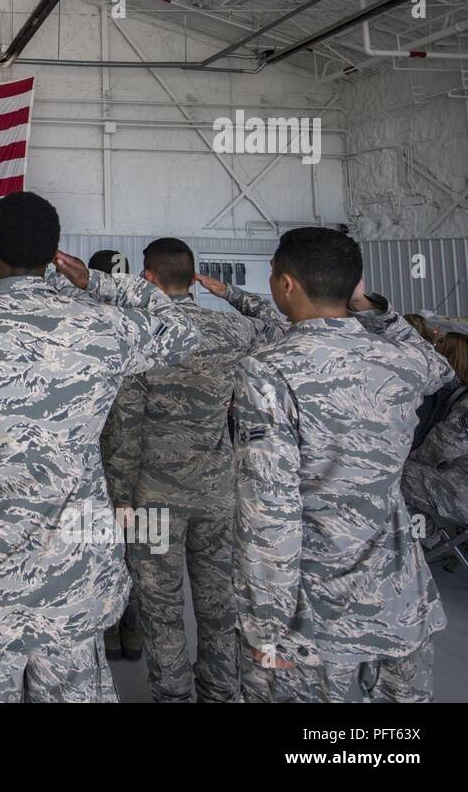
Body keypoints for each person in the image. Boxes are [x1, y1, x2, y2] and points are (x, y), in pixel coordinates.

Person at [0, 191, 200, 703]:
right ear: (56, 252)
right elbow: (183, 326)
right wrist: (95, 281)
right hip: (76, 581)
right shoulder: (101, 325)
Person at [215, 227, 453, 702]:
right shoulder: (400, 358)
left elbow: (270, 511)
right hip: (399, 595)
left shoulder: (269, 370)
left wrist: (267, 624)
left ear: (286, 285)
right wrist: (367, 307)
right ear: (353, 285)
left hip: (314, 612)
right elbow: (441, 368)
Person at [110, 239, 278, 703]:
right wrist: (230, 294)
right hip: (218, 492)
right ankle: (222, 696)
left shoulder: (140, 336)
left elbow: (126, 429)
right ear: (192, 276)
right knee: (219, 607)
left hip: (154, 498)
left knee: (161, 614)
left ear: (147, 279)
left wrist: (119, 498)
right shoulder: (231, 330)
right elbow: (281, 325)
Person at [90, 248, 143, 665]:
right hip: (148, 473)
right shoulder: (146, 327)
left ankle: (106, 632)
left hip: (96, 469)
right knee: (139, 548)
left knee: (96, 547)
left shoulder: (84, 325)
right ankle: (133, 629)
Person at [403, 331, 468, 527]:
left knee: (390, 473)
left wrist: (407, 457)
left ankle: (429, 539)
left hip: (462, 496)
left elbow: (442, 448)